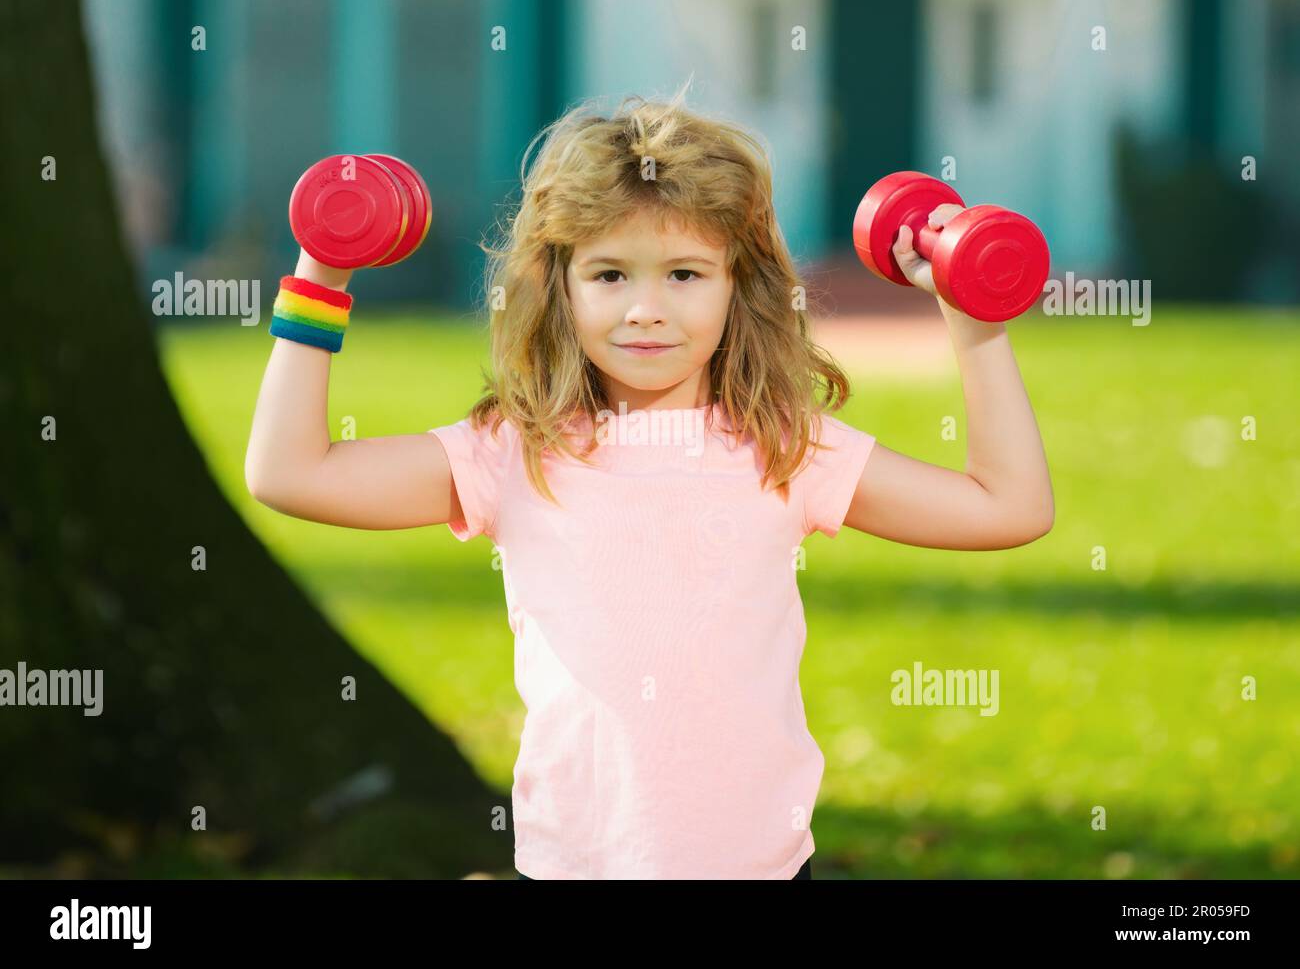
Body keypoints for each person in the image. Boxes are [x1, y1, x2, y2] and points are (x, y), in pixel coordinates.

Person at [245, 83, 1054, 880]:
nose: (645, 309)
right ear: (557, 286)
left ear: (741, 285)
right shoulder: (514, 451)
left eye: (684, 274)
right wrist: (323, 271)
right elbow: (291, 474)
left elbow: (1008, 507)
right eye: (609, 276)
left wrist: (973, 317)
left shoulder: (786, 447)